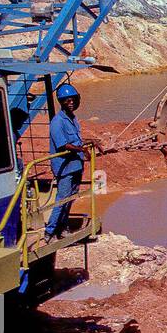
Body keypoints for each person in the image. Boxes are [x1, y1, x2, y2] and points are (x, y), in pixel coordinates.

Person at [45, 84, 100, 240]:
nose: (71, 103)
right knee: (62, 199)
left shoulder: (73, 118)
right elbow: (63, 144)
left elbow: (76, 140)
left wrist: (91, 142)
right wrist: (83, 150)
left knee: (71, 198)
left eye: (73, 100)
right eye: (67, 100)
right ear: (61, 102)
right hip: (64, 167)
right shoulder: (57, 121)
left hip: (76, 165)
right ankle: (49, 231)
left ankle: (63, 227)